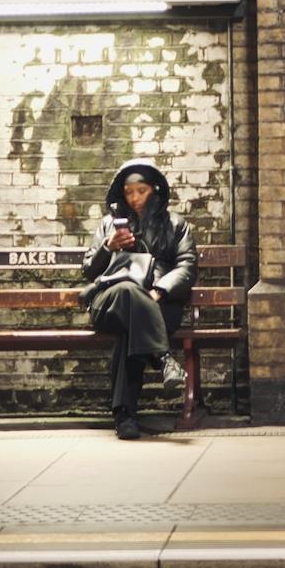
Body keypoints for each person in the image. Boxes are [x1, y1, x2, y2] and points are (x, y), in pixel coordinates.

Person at [80, 159, 197, 439]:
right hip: (110, 301)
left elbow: (187, 266)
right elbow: (88, 270)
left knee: (131, 328)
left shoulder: (175, 225)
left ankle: (125, 417)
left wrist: (160, 290)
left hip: (159, 304)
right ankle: (163, 357)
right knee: (128, 291)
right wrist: (107, 248)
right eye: (129, 192)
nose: (134, 198)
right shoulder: (109, 225)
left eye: (141, 191)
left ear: (155, 190)